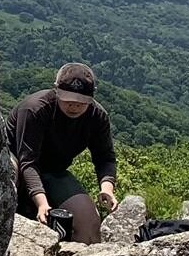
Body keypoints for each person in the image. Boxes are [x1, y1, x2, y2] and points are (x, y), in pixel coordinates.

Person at [10, 62, 118, 244]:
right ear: (56, 90)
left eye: (81, 102)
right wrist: (41, 203)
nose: (74, 106)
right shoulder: (34, 109)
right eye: (68, 99)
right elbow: (27, 162)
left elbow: (105, 157)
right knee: (11, 174)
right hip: (16, 165)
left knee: (89, 225)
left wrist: (106, 188)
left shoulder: (97, 117)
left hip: (54, 171)